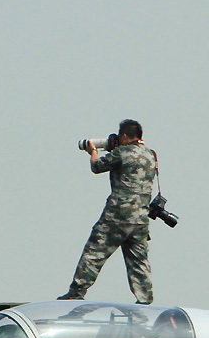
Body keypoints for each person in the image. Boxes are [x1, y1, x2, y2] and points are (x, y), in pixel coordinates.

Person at [60, 119, 157, 304]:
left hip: (118, 215)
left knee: (94, 252)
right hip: (141, 219)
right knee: (138, 262)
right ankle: (145, 301)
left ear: (125, 136)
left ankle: (76, 293)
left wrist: (93, 152)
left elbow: (97, 167)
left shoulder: (122, 153)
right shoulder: (151, 155)